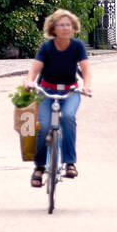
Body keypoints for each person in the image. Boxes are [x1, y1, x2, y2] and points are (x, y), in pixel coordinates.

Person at [24, 9, 92, 188]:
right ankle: (39, 167)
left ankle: (70, 162)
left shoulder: (77, 46)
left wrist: (86, 85)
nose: (65, 28)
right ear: (53, 28)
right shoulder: (47, 47)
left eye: (68, 25)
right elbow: (35, 69)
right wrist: (29, 81)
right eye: (61, 25)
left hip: (70, 92)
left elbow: (85, 70)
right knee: (45, 126)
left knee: (68, 117)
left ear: (73, 27)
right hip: (47, 91)